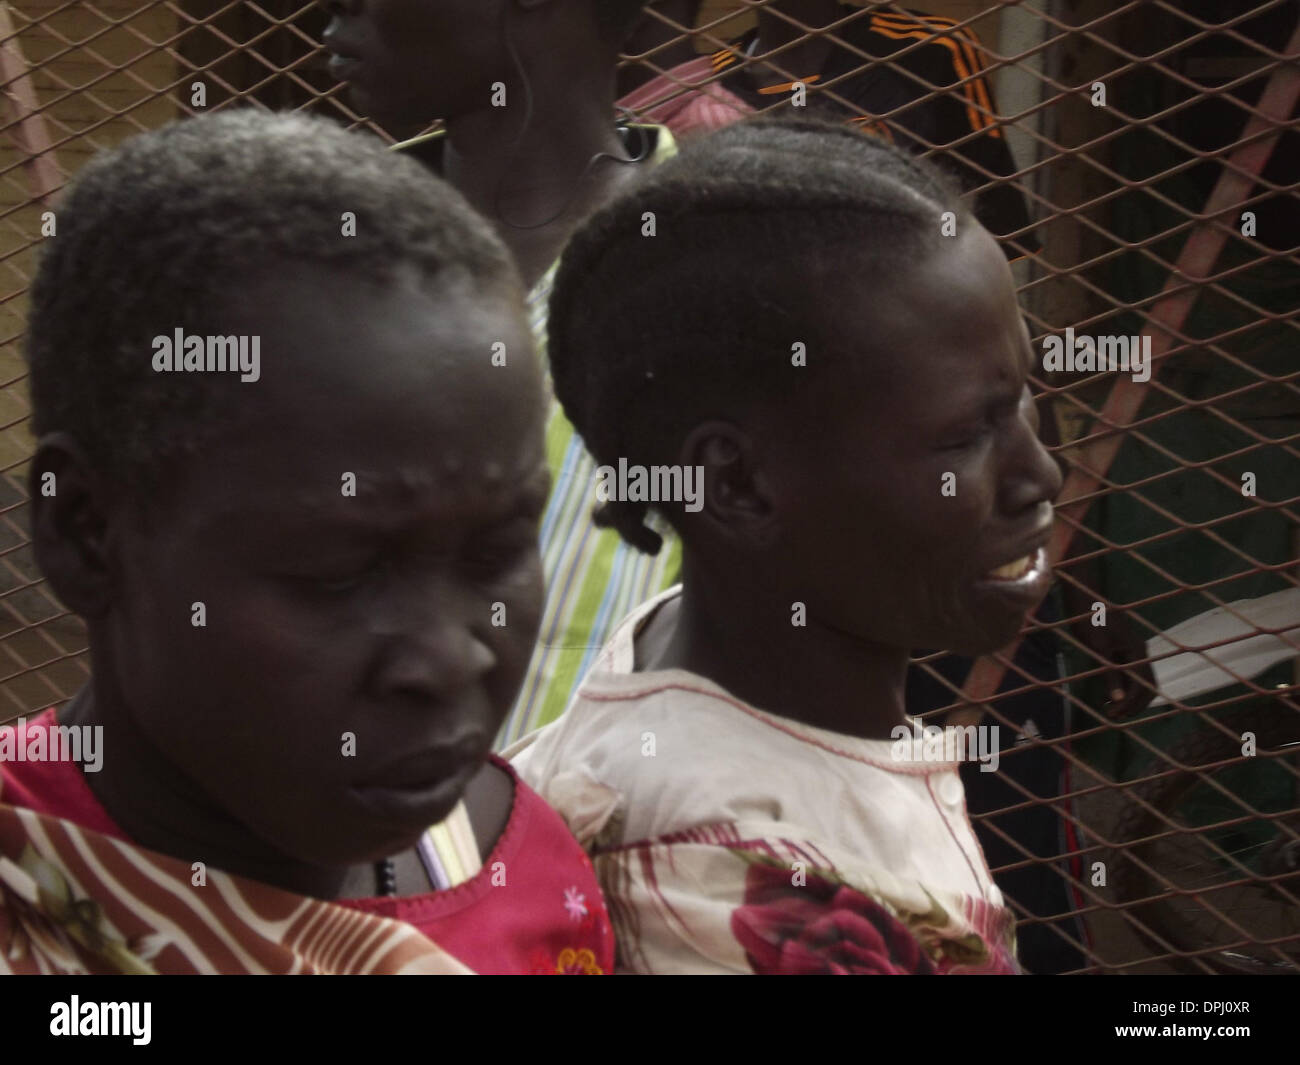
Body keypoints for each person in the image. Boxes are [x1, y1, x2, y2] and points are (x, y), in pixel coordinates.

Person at [0, 109, 612, 975]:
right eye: (338, 573)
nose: (446, 660)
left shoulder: (535, 875)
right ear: (87, 534)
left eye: (494, 553)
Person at [509, 118, 1064, 974]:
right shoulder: (720, 876)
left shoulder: (723, 674)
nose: (1041, 474)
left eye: (1021, 398)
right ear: (736, 486)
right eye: (964, 435)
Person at [322, 0, 684, 746]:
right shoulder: (311, 248)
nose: (333, 10)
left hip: (592, 838)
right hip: (319, 833)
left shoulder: (725, 265)